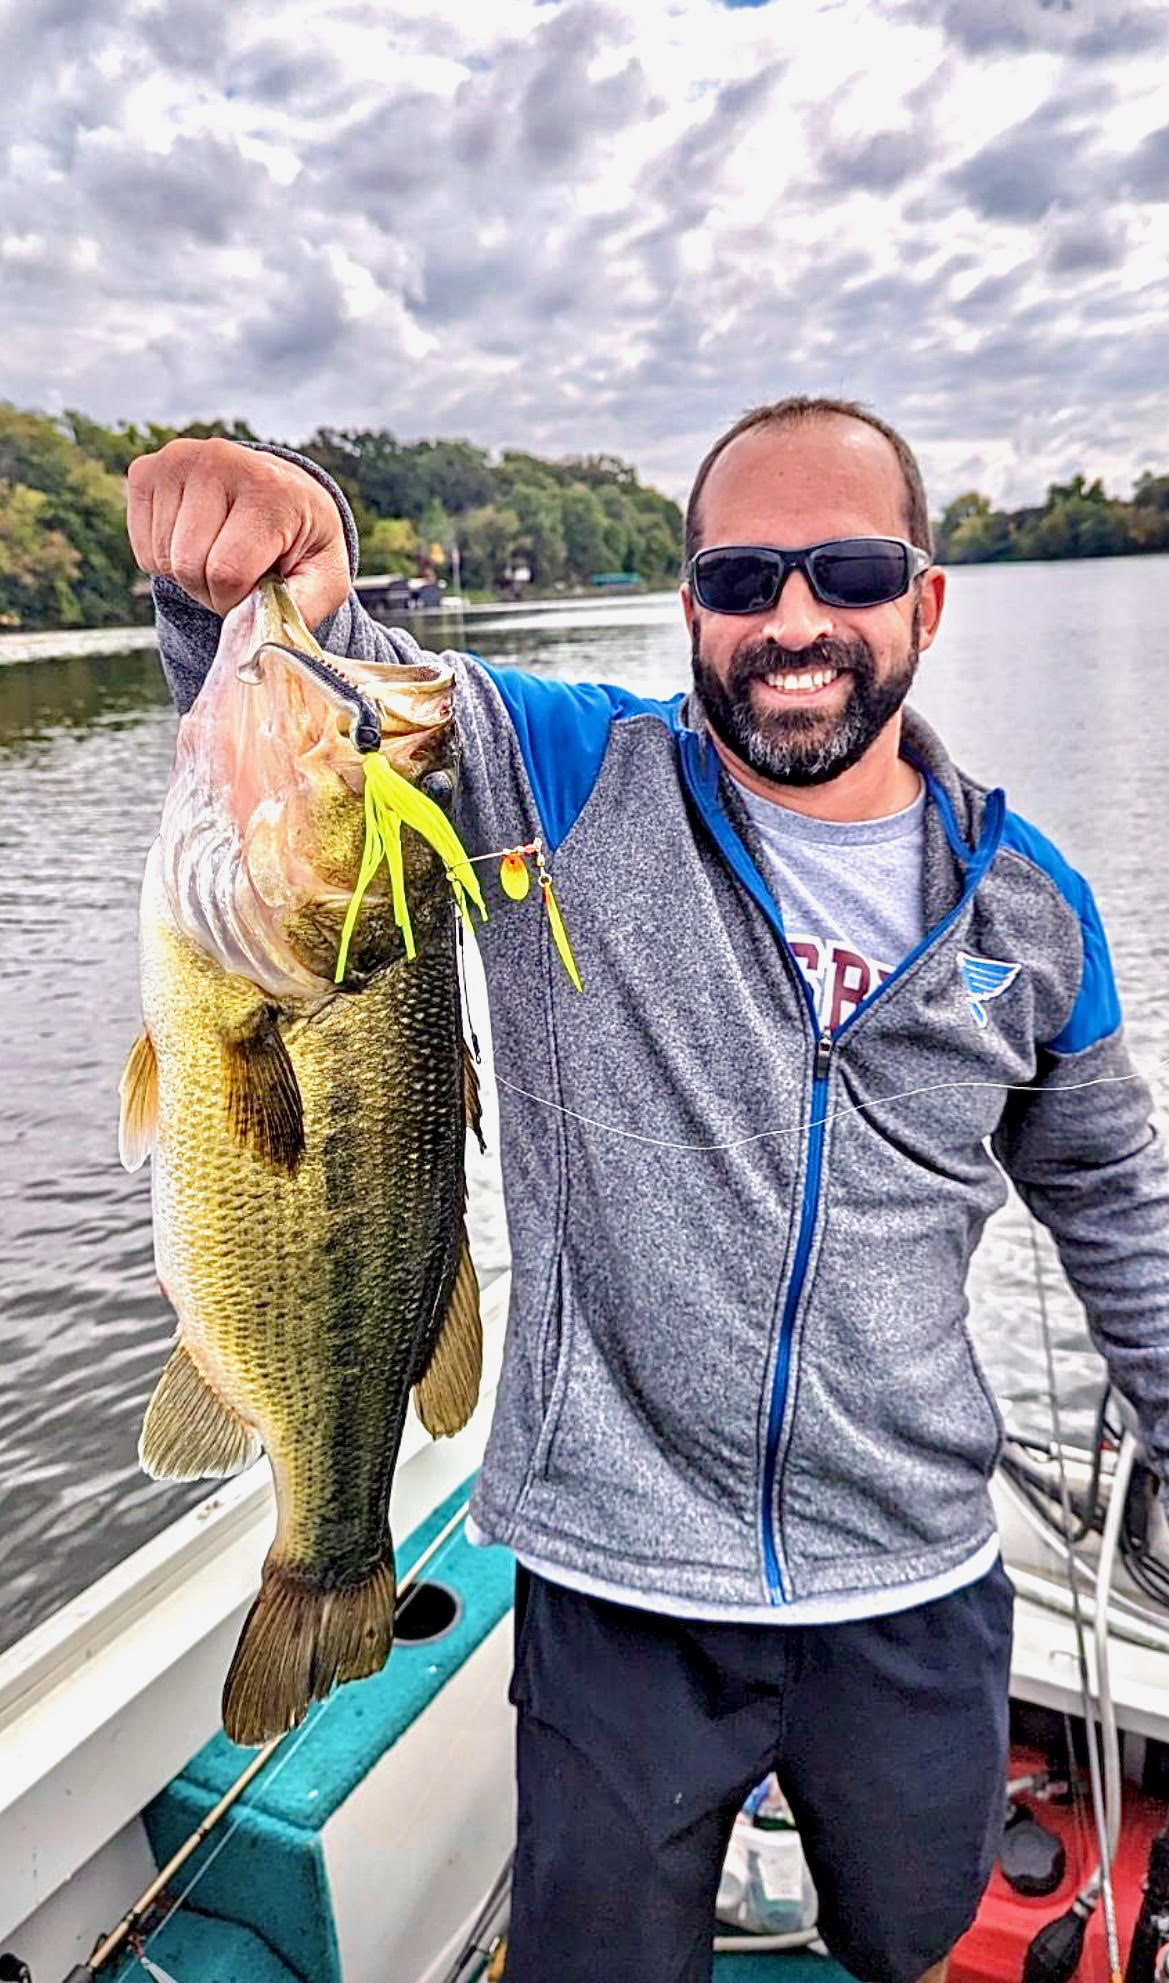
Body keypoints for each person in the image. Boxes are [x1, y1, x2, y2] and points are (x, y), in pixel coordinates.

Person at [127, 399, 1169, 1983]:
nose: (794, 618)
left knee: (912, 1930)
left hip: (909, 1570)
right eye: (743, 578)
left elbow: (1116, 1203)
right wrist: (269, 539)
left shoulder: (1030, 911)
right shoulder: (562, 777)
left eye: (848, 571)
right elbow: (320, 707)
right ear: (690, 605)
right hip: (612, 1578)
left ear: (926, 600)